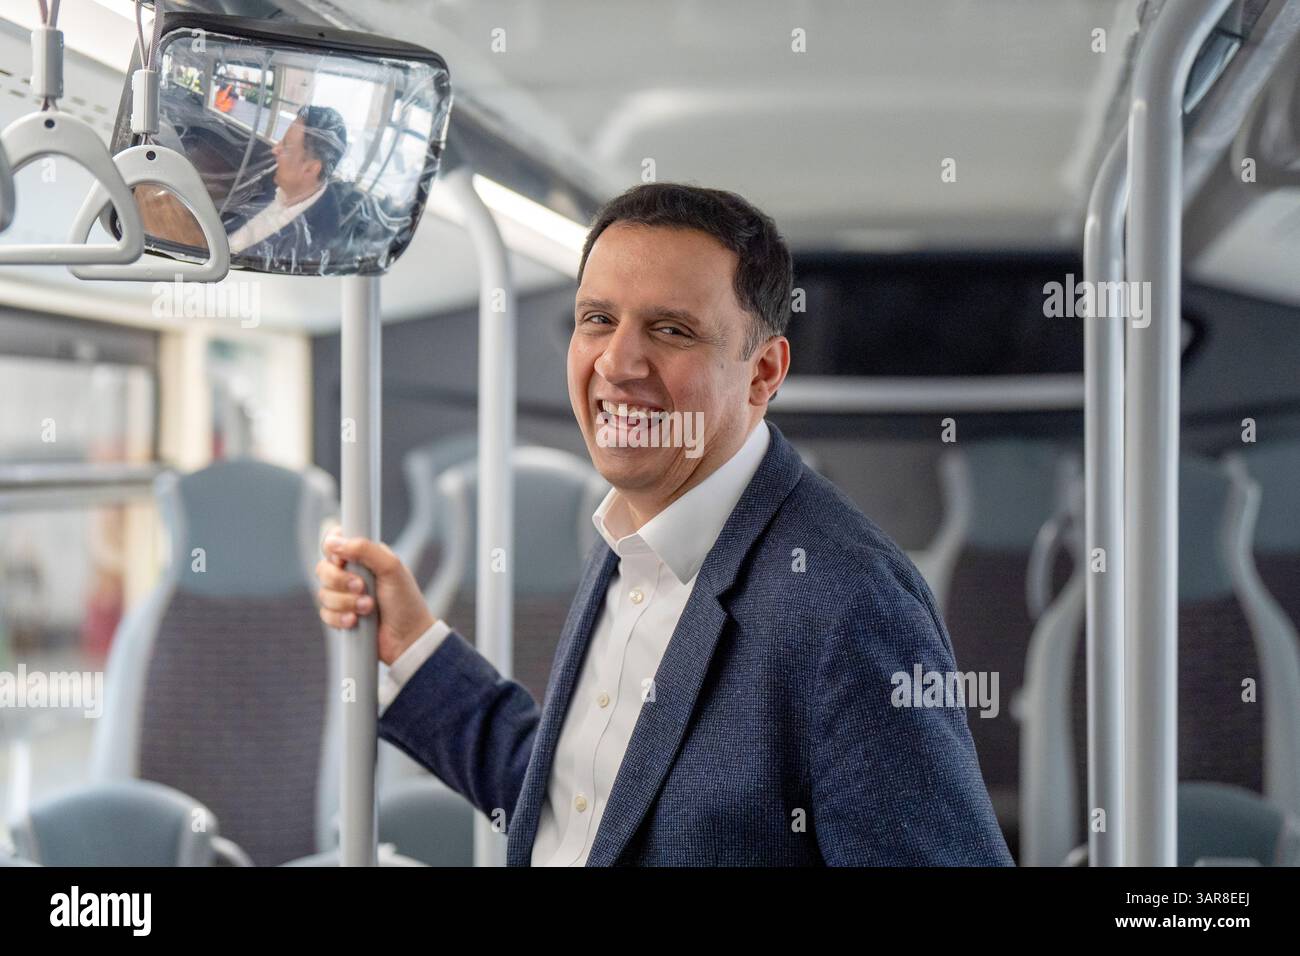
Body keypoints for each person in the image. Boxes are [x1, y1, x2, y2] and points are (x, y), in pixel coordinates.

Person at [316, 183, 1013, 866]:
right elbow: (589, 801)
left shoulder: (847, 602)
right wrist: (413, 647)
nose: (618, 362)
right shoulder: (629, 537)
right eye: (597, 319)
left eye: (670, 329)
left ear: (762, 372)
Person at [224, 105, 348, 268]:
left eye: (286, 146)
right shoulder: (274, 180)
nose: (275, 149)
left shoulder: (314, 245)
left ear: (311, 168)